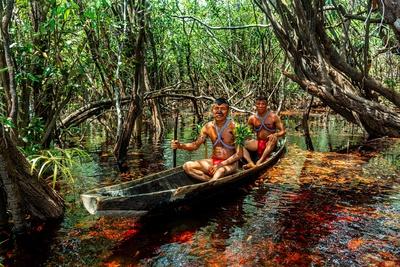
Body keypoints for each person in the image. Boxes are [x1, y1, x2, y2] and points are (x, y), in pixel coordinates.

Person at [171, 98, 242, 182]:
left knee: (220, 171)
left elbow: (239, 154)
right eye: (216, 108)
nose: (219, 111)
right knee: (187, 166)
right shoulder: (207, 127)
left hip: (230, 164)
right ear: (212, 110)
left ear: (228, 110)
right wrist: (180, 145)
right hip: (213, 161)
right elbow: (195, 145)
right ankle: (210, 182)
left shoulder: (235, 127)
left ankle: (211, 182)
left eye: (223, 109)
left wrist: (221, 165)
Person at [243, 96, 285, 168]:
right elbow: (248, 134)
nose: (260, 106)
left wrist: (275, 135)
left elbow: (283, 131)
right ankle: (250, 163)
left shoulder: (273, 117)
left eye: (263, 104)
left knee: (273, 139)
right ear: (255, 105)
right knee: (240, 143)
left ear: (266, 105)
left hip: (270, 143)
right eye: (258, 104)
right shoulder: (252, 118)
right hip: (258, 143)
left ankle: (260, 161)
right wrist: (243, 137)